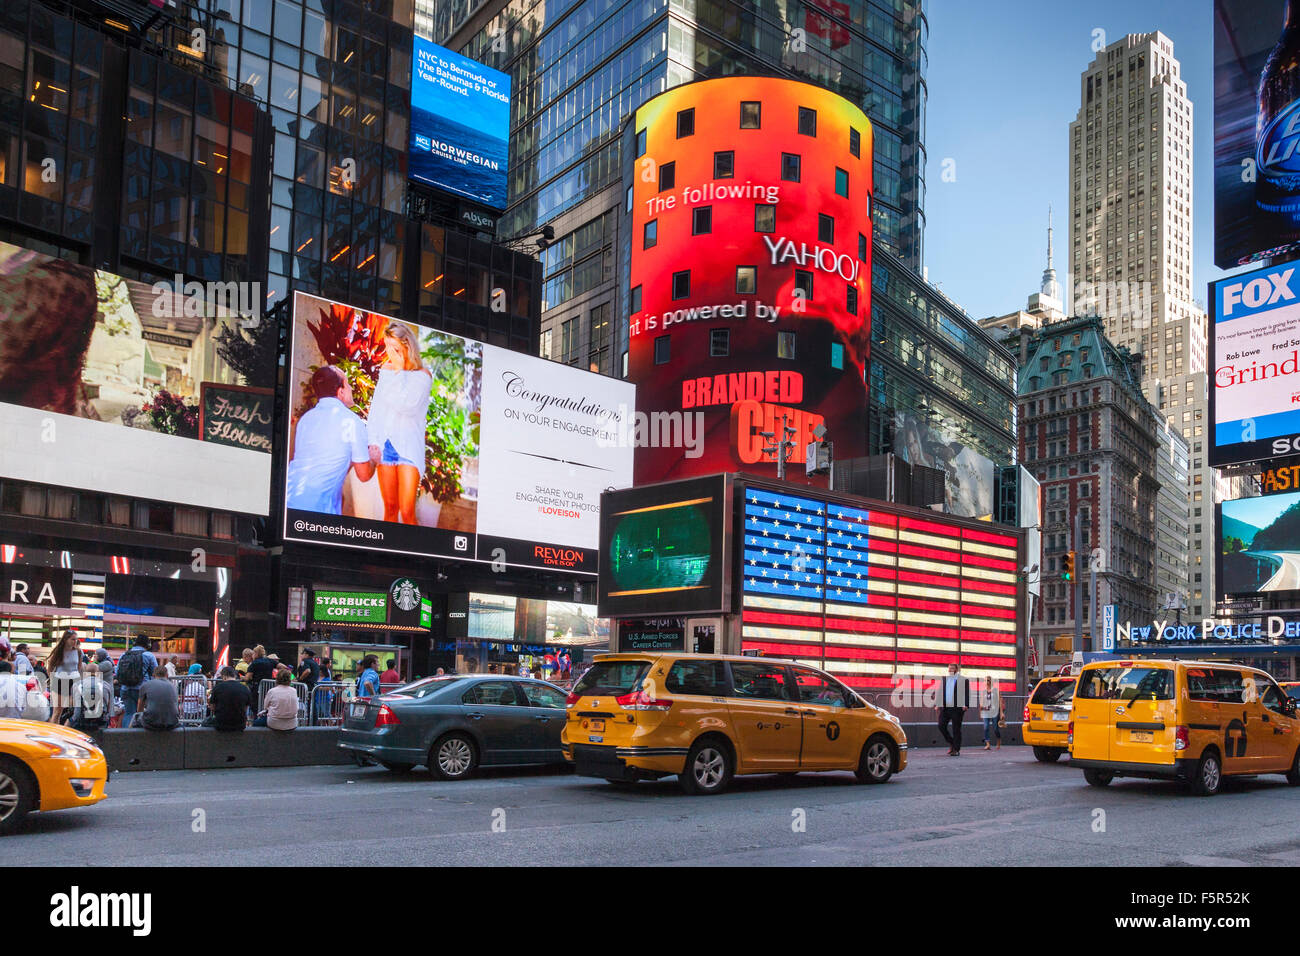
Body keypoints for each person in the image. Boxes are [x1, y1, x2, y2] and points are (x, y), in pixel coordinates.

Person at [285, 365, 380, 515]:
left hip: (288, 499)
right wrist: (374, 459)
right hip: (316, 510)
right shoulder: (351, 421)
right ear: (341, 391)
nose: (350, 388)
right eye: (347, 384)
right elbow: (364, 475)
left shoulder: (306, 419)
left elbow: (327, 461)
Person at [367, 322, 432, 524]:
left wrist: (398, 371)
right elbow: (376, 409)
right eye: (388, 347)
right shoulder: (386, 371)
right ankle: (388, 555)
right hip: (386, 446)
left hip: (409, 449)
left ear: (407, 346)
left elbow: (407, 406)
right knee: (390, 508)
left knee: (407, 510)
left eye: (395, 348)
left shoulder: (423, 375)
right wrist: (373, 442)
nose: (390, 353)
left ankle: (415, 555)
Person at [116, 635, 157, 729]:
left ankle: (126, 735)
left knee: (129, 713)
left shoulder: (124, 654)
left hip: (125, 689)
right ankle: (138, 736)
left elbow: (117, 671)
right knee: (141, 714)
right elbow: (155, 673)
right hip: (142, 689)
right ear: (147, 644)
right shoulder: (149, 655)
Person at [45, 629, 83, 724]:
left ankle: (66, 729)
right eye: (73, 639)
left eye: (76, 639)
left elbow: (79, 667)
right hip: (60, 680)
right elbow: (50, 666)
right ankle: (54, 731)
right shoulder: (59, 651)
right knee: (58, 710)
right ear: (66, 639)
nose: (75, 642)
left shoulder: (78, 651)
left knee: (73, 709)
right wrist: (52, 679)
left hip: (74, 680)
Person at [936, 662, 974, 756]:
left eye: (951, 669)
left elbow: (967, 693)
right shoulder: (945, 679)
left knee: (956, 729)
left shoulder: (963, 680)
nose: (949, 670)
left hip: (957, 708)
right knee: (941, 725)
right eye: (948, 669)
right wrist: (937, 704)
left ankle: (956, 749)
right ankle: (952, 743)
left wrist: (966, 704)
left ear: (956, 670)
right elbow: (941, 691)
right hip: (945, 707)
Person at [70, 662, 112, 733]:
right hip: (100, 723)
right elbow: (109, 708)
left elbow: (72, 706)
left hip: (81, 723)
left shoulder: (77, 685)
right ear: (98, 673)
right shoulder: (106, 686)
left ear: (85, 673)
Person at [207, 666, 251, 732]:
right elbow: (246, 708)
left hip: (221, 724)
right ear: (235, 676)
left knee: (206, 722)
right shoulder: (245, 688)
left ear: (224, 676)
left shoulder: (218, 688)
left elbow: (212, 707)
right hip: (240, 725)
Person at [137, 666, 179, 731]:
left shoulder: (146, 685)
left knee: (135, 717)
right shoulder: (173, 686)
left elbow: (140, 707)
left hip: (152, 723)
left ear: (153, 675)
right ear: (167, 675)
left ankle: (129, 739)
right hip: (173, 722)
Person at [980, 675, 1004, 751]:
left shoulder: (996, 690)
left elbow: (1000, 701)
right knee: (986, 727)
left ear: (991, 682)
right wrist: (980, 711)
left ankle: (999, 740)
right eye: (985, 681)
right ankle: (988, 744)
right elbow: (981, 702)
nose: (986, 682)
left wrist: (1001, 713)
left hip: (994, 711)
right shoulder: (983, 691)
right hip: (985, 711)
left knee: (995, 728)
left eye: (988, 680)